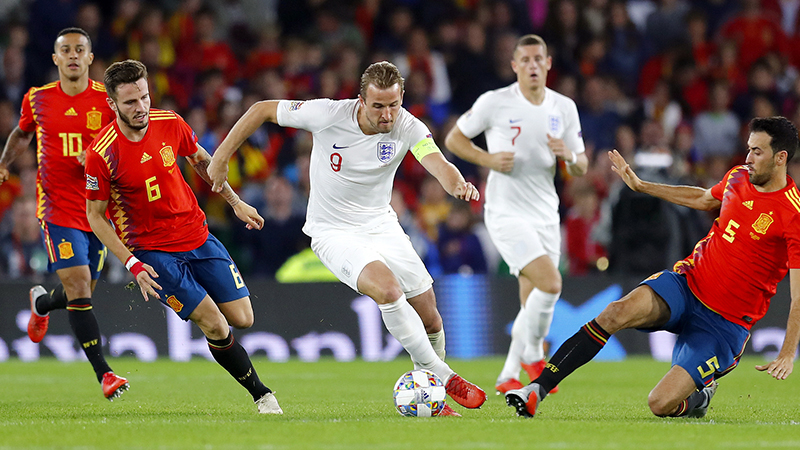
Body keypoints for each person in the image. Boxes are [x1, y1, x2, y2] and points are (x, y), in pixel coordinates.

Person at [208, 61, 487, 416]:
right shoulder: (327, 114)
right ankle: (442, 375)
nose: (387, 115)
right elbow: (261, 109)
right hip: (332, 230)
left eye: (394, 105)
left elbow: (437, 162)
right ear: (360, 101)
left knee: (430, 316)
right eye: (378, 106)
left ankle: (431, 395)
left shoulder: (407, 126)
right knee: (387, 290)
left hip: (382, 225)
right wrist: (220, 158)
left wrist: (456, 183)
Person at [506, 116, 800, 419]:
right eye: (749, 149)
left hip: (725, 323)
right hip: (688, 284)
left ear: (781, 158)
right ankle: (536, 390)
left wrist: (788, 352)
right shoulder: (739, 176)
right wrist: (642, 186)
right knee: (614, 312)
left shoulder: (793, 215)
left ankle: (700, 398)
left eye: (758, 152)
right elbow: (703, 197)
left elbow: (798, 296)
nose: (748, 158)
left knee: (660, 404)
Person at [84, 60, 282, 414]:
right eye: (130, 102)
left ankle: (232, 360)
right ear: (112, 104)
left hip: (197, 235)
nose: (141, 107)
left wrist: (235, 203)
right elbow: (95, 217)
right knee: (214, 322)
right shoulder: (102, 153)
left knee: (243, 318)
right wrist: (132, 264)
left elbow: (203, 161)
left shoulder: (169, 122)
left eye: (144, 97)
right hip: (152, 251)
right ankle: (262, 395)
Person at [445, 34, 589, 394]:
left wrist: (568, 156)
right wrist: (487, 159)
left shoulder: (563, 107)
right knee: (551, 283)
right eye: (524, 60)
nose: (533, 65)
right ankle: (533, 354)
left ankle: (508, 375)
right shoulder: (495, 103)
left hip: (545, 212)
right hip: (506, 211)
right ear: (514, 66)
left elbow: (583, 164)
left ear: (549, 63)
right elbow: (454, 140)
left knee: (533, 299)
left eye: (538, 59)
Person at [0, 28, 127, 400]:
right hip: (57, 209)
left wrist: (98, 160)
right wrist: (5, 163)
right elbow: (22, 135)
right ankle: (105, 374)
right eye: (65, 50)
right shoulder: (37, 100)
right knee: (78, 285)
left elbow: (125, 141)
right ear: (56, 59)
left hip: (99, 210)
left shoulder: (108, 101)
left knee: (84, 287)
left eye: (80, 50)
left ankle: (41, 304)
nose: (73, 56)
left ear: (91, 58)